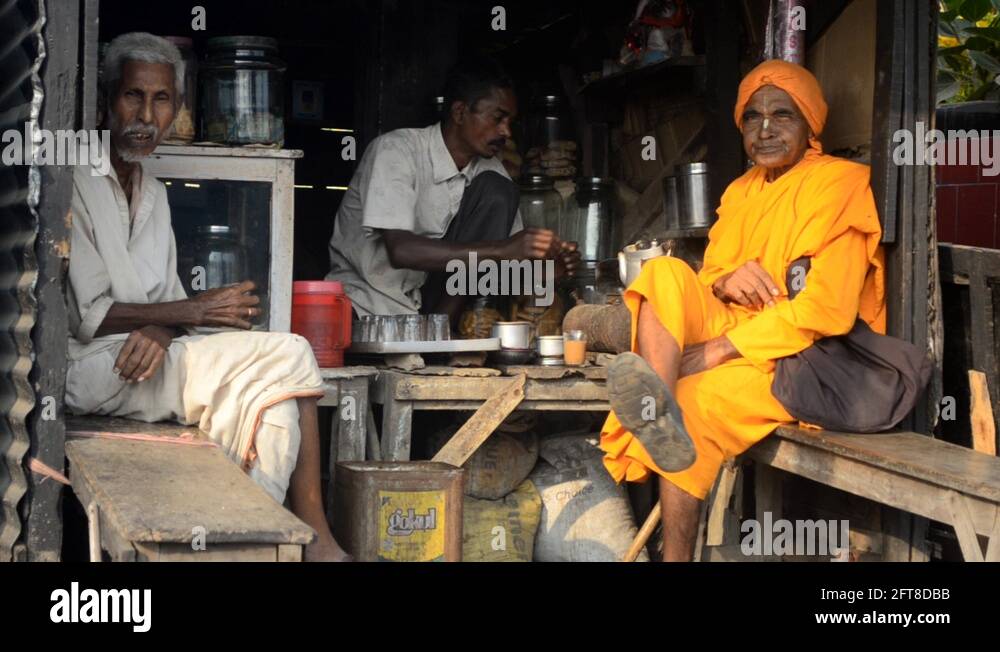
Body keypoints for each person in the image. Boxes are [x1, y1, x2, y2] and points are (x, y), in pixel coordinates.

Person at [66, 32, 349, 561]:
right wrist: (192, 311)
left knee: (276, 404)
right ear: (108, 101)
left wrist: (165, 323)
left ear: (176, 108)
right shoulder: (77, 180)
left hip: (147, 355)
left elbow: (167, 306)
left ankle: (250, 538)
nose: (146, 116)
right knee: (290, 353)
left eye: (162, 100)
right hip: (97, 369)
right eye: (133, 96)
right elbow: (90, 317)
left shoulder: (153, 193)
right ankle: (320, 540)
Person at [602, 59, 886, 561]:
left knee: (698, 399)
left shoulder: (840, 184)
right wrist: (727, 280)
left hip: (805, 357)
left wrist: (715, 351)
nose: (766, 128)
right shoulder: (742, 190)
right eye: (753, 117)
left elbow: (828, 310)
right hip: (744, 329)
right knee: (663, 274)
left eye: (783, 115)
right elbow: (711, 275)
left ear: (810, 124)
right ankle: (656, 412)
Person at [326, 58, 580, 324]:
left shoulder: (490, 171)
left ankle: (441, 333)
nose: (506, 131)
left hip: (429, 309)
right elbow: (401, 251)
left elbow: (495, 267)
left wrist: (546, 273)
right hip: (368, 305)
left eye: (510, 121)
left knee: (497, 190)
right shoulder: (396, 150)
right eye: (497, 118)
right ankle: (437, 338)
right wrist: (502, 249)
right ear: (459, 113)